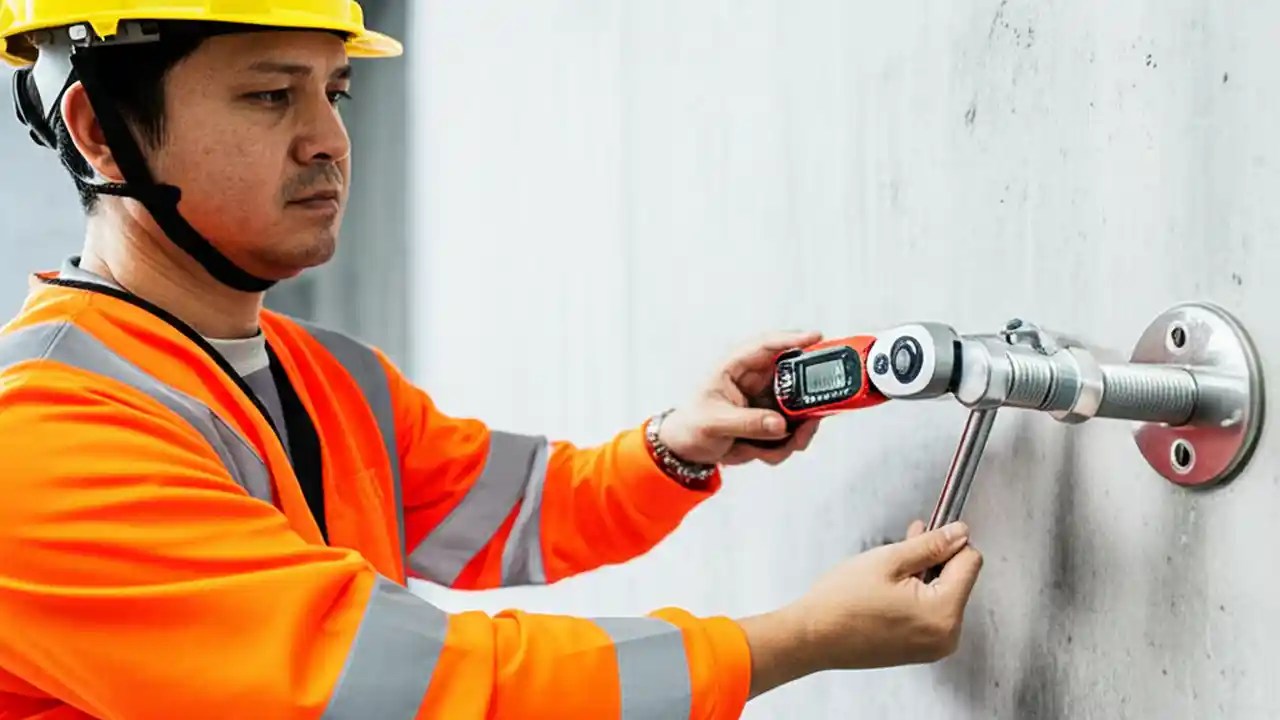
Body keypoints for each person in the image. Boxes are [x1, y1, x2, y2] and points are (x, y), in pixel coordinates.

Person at [0, 2, 984, 718]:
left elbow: (510, 511)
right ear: (100, 132)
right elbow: (391, 685)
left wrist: (675, 447)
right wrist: (797, 640)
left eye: (334, 91)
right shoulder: (39, 445)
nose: (329, 141)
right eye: (269, 96)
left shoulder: (319, 373)